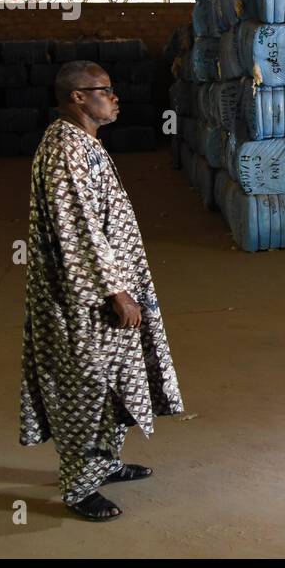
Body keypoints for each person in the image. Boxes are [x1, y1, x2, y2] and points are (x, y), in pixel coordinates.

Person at [19, 60, 183, 520]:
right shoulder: (65, 151)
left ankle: (106, 463)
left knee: (115, 382)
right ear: (77, 97)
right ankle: (78, 486)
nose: (115, 98)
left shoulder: (85, 144)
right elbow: (78, 229)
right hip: (83, 300)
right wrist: (115, 292)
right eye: (105, 90)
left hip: (109, 291)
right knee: (86, 386)